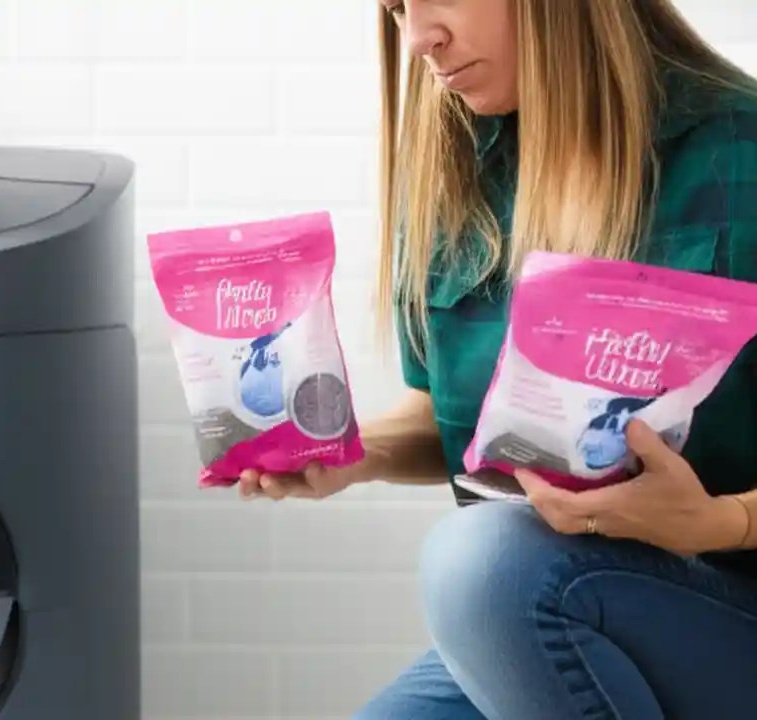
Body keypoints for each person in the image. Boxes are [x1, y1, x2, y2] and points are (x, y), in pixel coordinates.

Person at [238, 1, 757, 718]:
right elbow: (446, 416)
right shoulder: (455, 170)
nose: (418, 39)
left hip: (719, 606)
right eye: (396, 8)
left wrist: (720, 521)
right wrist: (358, 451)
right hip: (561, 607)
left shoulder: (741, 152)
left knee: (482, 562)